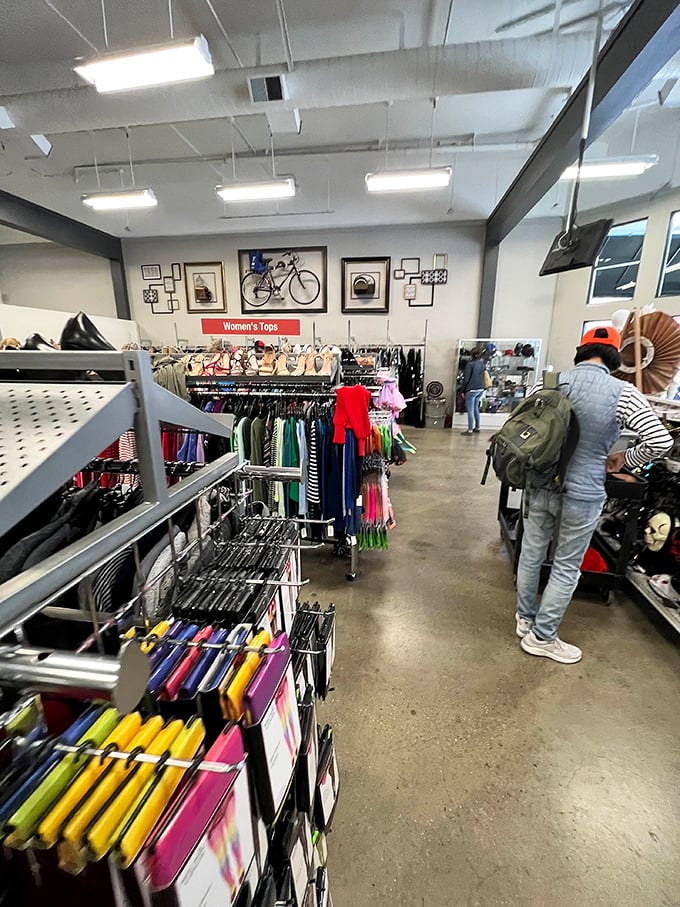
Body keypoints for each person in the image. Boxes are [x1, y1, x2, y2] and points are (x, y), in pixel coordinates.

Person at [515, 326, 673, 664]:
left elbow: (523, 425)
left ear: (581, 351)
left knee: (531, 553)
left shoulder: (551, 382)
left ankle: (525, 619)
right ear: (615, 357)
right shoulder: (624, 393)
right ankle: (542, 637)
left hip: (540, 482)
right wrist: (626, 458)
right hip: (583, 490)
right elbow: (661, 440)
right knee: (566, 565)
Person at [460, 349, 486, 435]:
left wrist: (462, 390)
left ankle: (470, 430)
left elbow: (466, 379)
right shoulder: (482, 364)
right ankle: (477, 427)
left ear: (471, 355)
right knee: (476, 408)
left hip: (471, 389)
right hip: (481, 388)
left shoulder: (470, 364)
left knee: (470, 410)